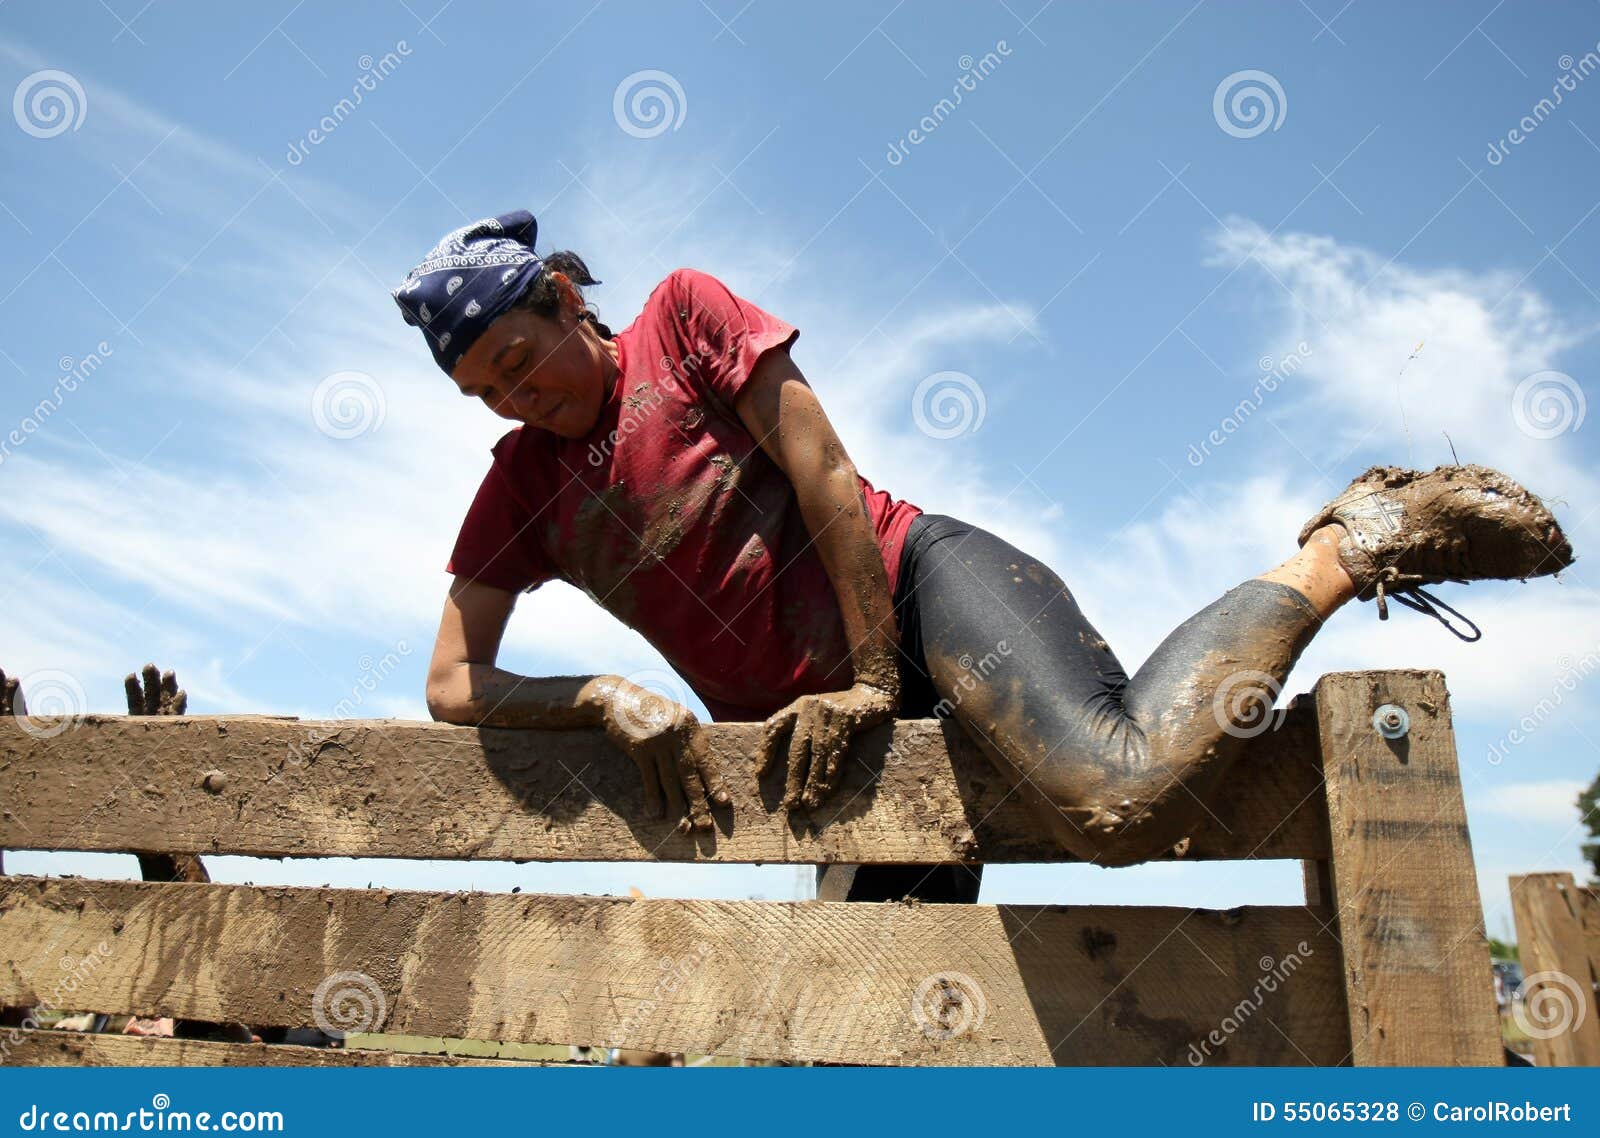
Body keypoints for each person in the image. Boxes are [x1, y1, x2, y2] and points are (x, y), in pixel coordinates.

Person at [400, 210, 1574, 904]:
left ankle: (1345, 542)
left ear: (564, 296)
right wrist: (599, 696)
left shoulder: (679, 315)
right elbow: (453, 681)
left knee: (1114, 797)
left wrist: (871, 679)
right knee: (879, 1015)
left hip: (917, 592)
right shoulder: (524, 485)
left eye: (519, 358)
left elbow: (821, 468)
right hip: (833, 741)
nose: (516, 396)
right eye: (485, 390)